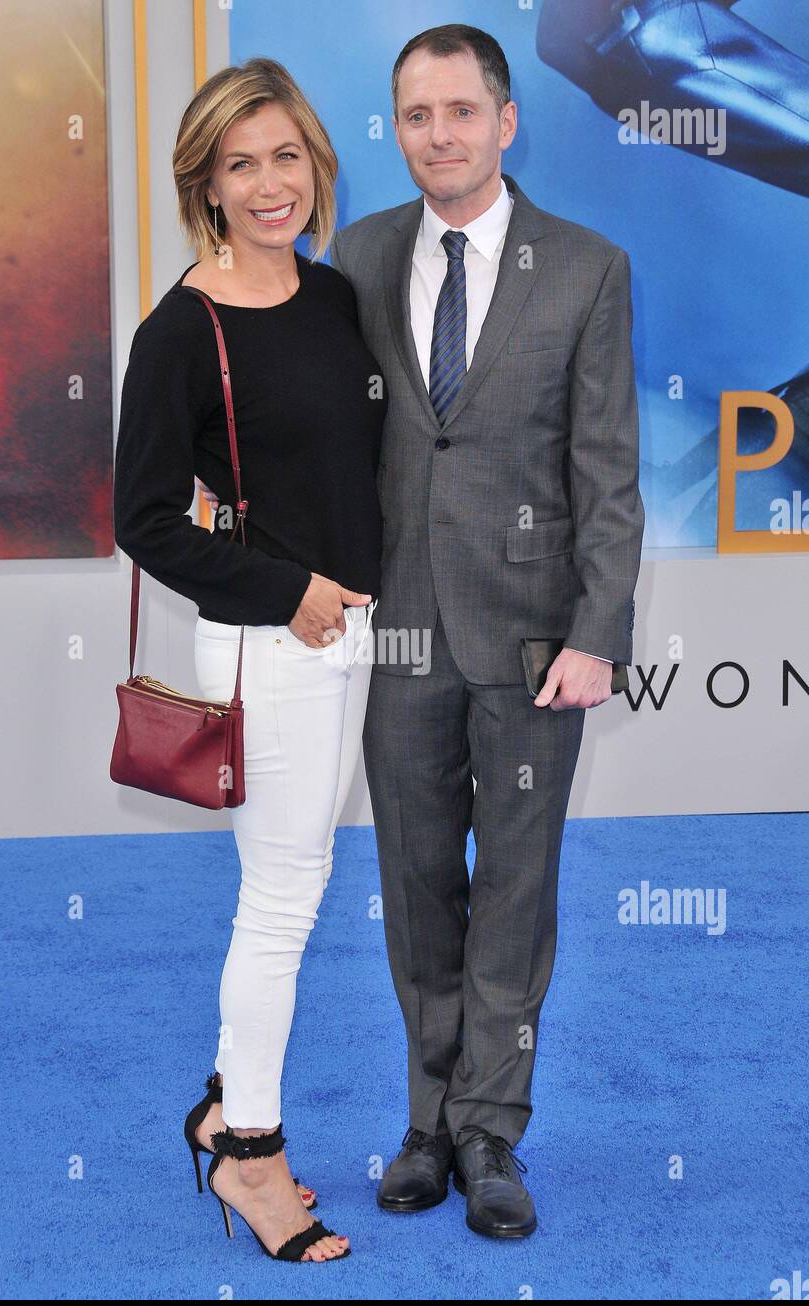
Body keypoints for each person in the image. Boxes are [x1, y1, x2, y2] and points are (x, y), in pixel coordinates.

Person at [330, 24, 645, 1238]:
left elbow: (607, 476)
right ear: (394, 128)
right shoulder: (352, 261)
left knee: (515, 891)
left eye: (460, 111)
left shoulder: (585, 268)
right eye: (414, 114)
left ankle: (489, 1131)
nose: (437, 135)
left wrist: (596, 631)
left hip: (531, 646)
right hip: (394, 635)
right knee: (415, 893)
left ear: (506, 122)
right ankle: (423, 1121)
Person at [113, 58, 386, 1263]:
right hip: (264, 643)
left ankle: (229, 1102)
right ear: (206, 187)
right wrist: (287, 592)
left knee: (298, 885)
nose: (269, 183)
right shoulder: (181, 329)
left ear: (315, 163)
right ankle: (250, 1156)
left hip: (347, 633)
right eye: (241, 165)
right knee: (279, 905)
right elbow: (145, 518)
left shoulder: (330, 300)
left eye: (286, 155)